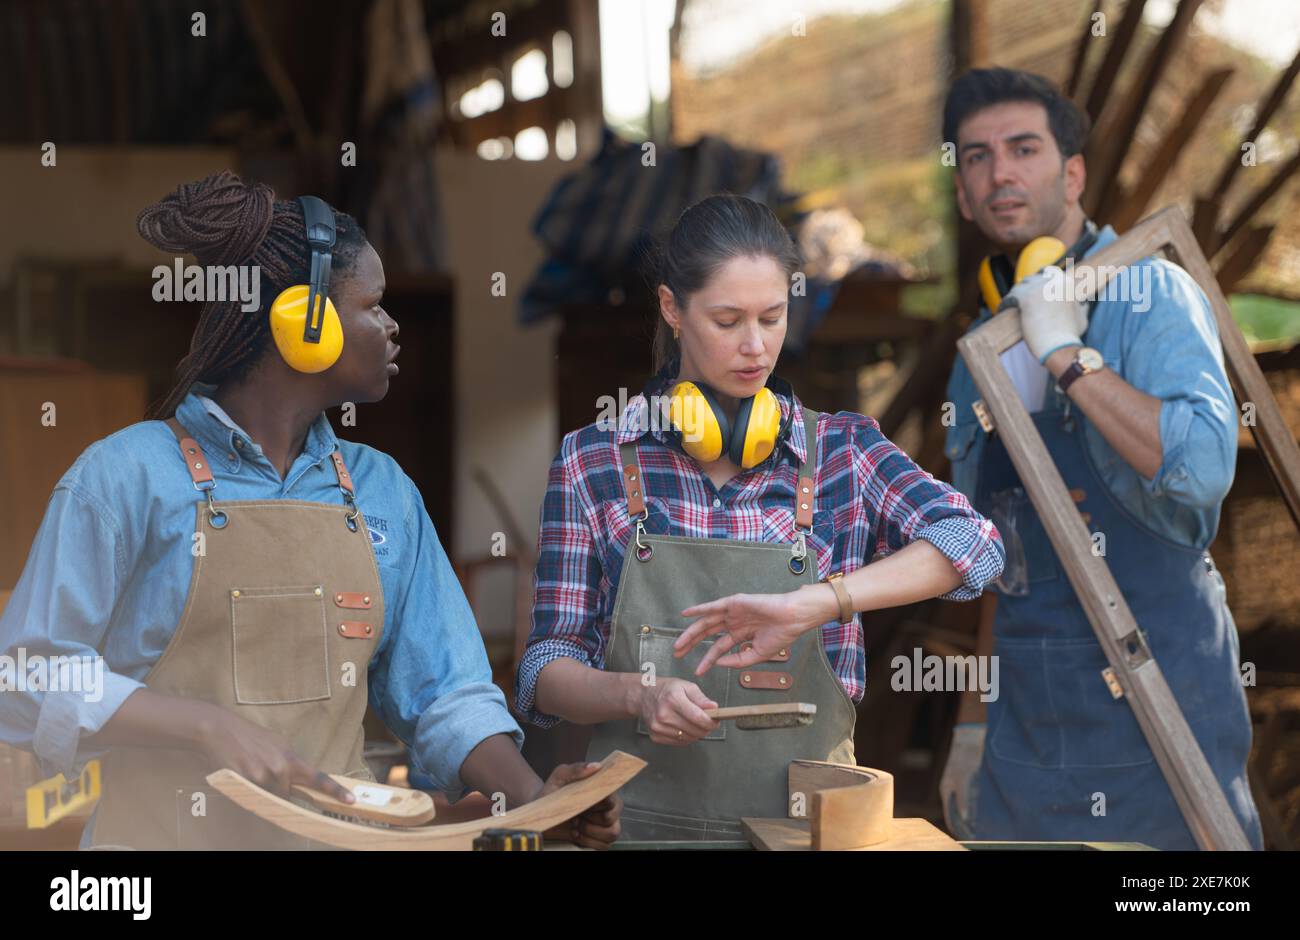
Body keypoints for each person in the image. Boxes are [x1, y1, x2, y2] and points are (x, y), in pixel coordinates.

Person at [0, 171, 620, 849]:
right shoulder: (125, 477)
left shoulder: (382, 492)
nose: (392, 327)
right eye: (373, 305)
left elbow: (447, 696)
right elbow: (27, 678)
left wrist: (535, 802)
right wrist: (201, 725)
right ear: (304, 324)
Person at [514, 193, 1005, 841]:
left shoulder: (841, 452)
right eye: (727, 320)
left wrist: (823, 602)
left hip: (809, 833)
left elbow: (976, 544)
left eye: (772, 318)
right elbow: (545, 669)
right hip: (637, 831)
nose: (755, 347)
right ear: (672, 309)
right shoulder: (594, 461)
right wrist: (638, 694)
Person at [936, 68, 1262, 849]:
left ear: (1073, 173)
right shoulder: (976, 352)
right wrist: (972, 724)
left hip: (1160, 706)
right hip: (1029, 729)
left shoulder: (1150, 290)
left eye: (1024, 149)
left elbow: (1203, 467)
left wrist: (1068, 358)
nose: (1000, 172)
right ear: (961, 191)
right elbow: (993, 557)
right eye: (977, 157)